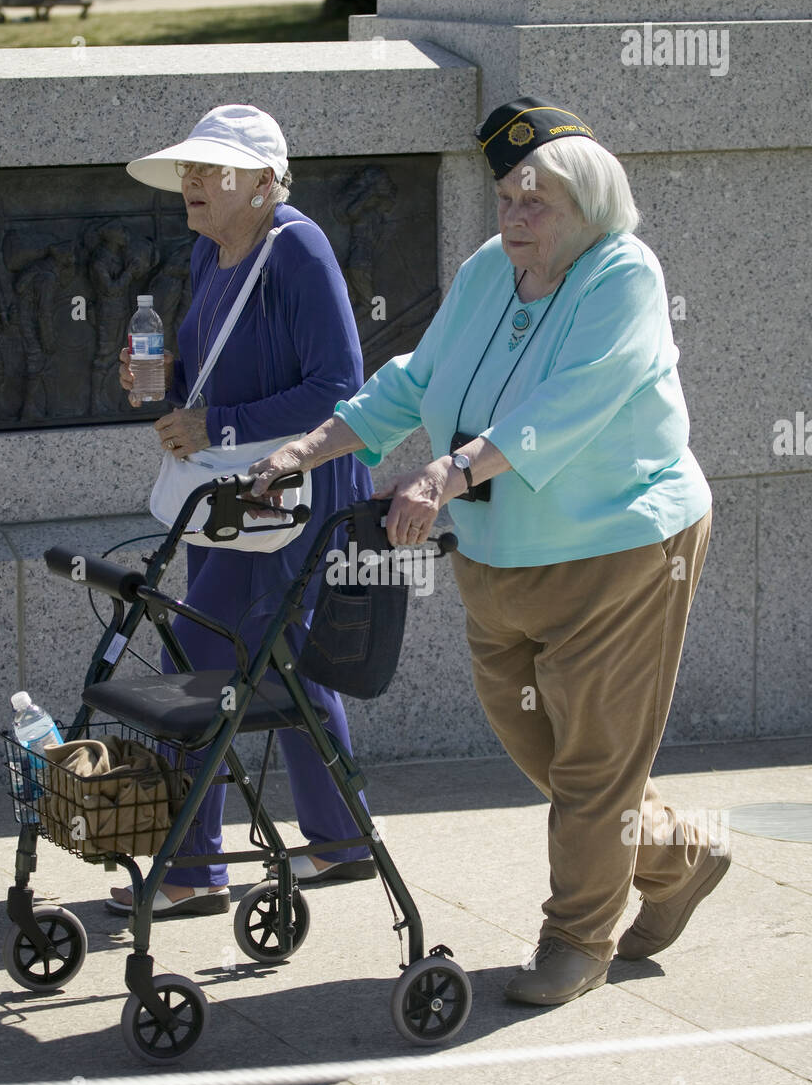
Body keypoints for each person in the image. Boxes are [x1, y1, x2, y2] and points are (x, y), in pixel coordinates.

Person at [249, 97, 727, 1007]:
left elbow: (566, 409)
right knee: (539, 744)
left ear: (590, 206)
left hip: (622, 551)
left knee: (591, 764)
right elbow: (417, 381)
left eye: (535, 200)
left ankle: (577, 938)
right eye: (506, 195)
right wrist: (309, 448)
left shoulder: (623, 276)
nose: (513, 215)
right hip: (499, 560)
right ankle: (680, 853)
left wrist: (442, 477)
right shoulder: (485, 270)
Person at [107, 104, 374, 920]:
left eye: (210, 169)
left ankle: (192, 870)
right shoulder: (211, 250)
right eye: (188, 168)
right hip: (234, 493)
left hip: (298, 490)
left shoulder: (298, 247)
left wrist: (216, 424)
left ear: (263, 183)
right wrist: (158, 377)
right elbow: (226, 362)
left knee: (198, 656)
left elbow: (339, 388)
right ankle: (341, 842)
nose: (191, 181)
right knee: (280, 659)